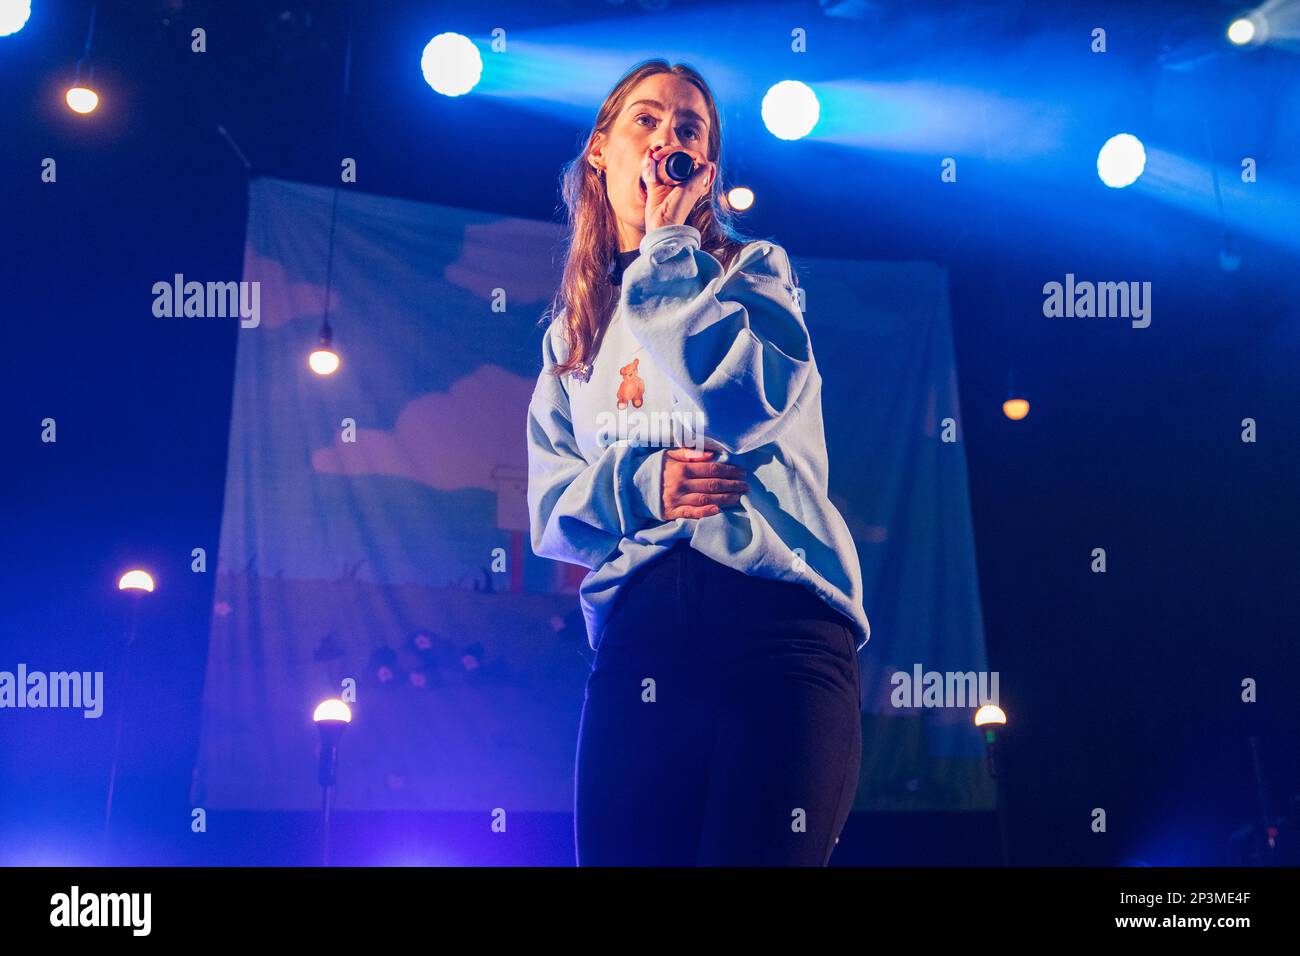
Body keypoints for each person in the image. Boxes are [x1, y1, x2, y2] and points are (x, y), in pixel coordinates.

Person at [526, 58, 870, 866]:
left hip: (778, 627)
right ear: (600, 152)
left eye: (690, 129)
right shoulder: (569, 335)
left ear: (705, 170)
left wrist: (671, 251)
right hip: (642, 640)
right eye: (645, 120)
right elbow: (553, 510)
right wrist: (647, 484)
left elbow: (741, 402)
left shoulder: (755, 271)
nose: (666, 139)